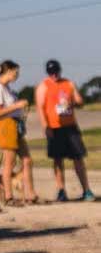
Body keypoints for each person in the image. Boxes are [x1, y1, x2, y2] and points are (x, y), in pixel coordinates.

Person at [36, 59, 93, 202]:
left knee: (78, 158)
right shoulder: (43, 86)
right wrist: (45, 127)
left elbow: (80, 102)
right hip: (54, 128)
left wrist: (72, 102)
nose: (54, 75)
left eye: (56, 71)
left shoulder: (69, 84)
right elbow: (40, 109)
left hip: (70, 127)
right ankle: (61, 190)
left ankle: (86, 190)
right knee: (57, 159)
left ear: (60, 70)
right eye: (51, 72)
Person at [0, 60, 39, 206]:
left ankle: (30, 194)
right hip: (6, 126)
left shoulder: (8, 89)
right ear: (9, 71)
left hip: (15, 125)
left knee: (27, 160)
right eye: (16, 71)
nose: (18, 74)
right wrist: (17, 105)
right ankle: (8, 196)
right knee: (9, 163)